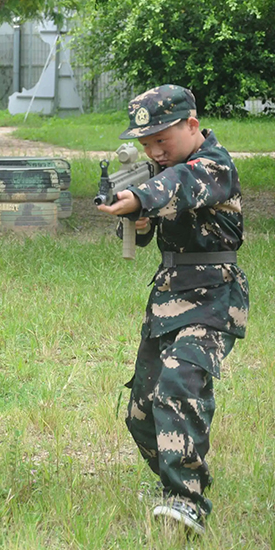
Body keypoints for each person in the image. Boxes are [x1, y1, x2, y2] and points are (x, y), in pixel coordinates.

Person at [97, 85, 249, 535]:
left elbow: (180, 186)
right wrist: (139, 220)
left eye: (163, 140)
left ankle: (187, 502)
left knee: (179, 384)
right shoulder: (158, 173)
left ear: (192, 125)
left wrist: (144, 198)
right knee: (141, 414)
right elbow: (148, 227)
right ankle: (173, 479)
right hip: (167, 298)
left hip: (214, 297)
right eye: (147, 144)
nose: (156, 152)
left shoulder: (215, 166)